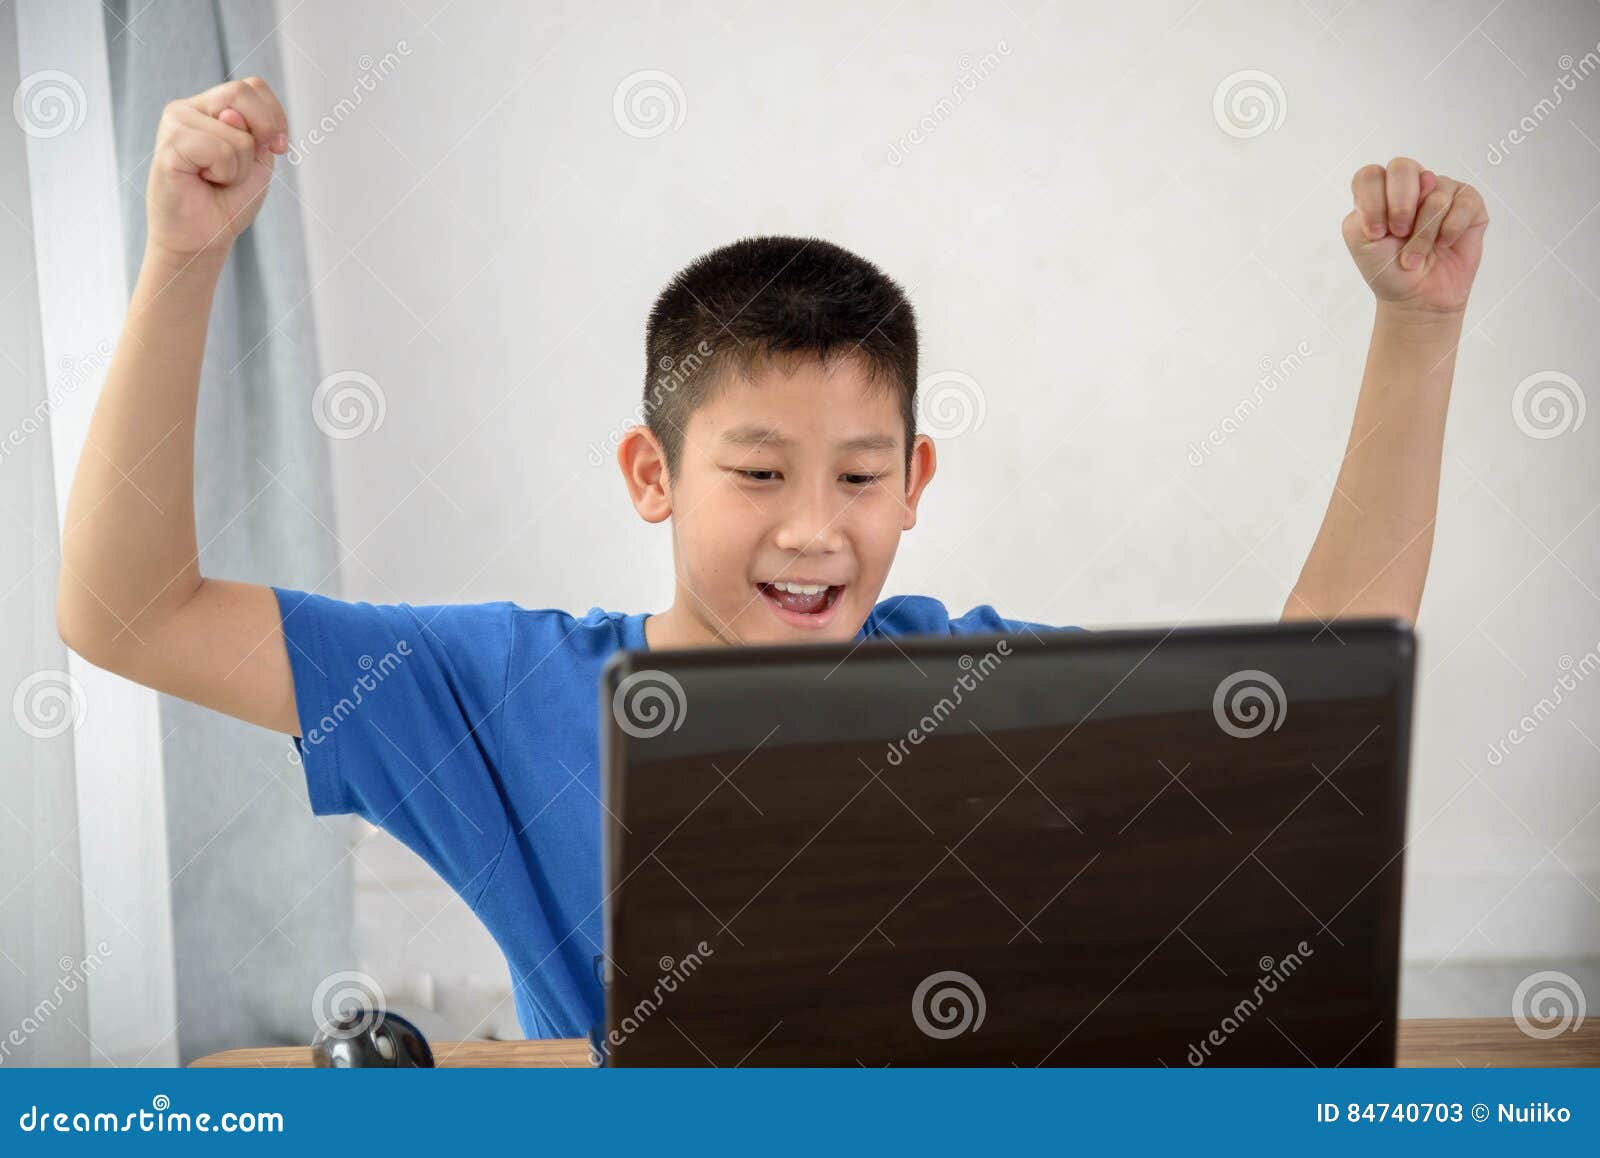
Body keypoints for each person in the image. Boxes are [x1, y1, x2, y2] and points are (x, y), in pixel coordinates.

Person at [55, 77, 1489, 1041]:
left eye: (861, 476)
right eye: (757, 473)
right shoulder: (492, 691)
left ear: (916, 484)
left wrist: (1418, 330)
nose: (816, 529)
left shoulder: (986, 681)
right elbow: (129, 611)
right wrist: (184, 257)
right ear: (651, 474)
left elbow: (1315, 697)